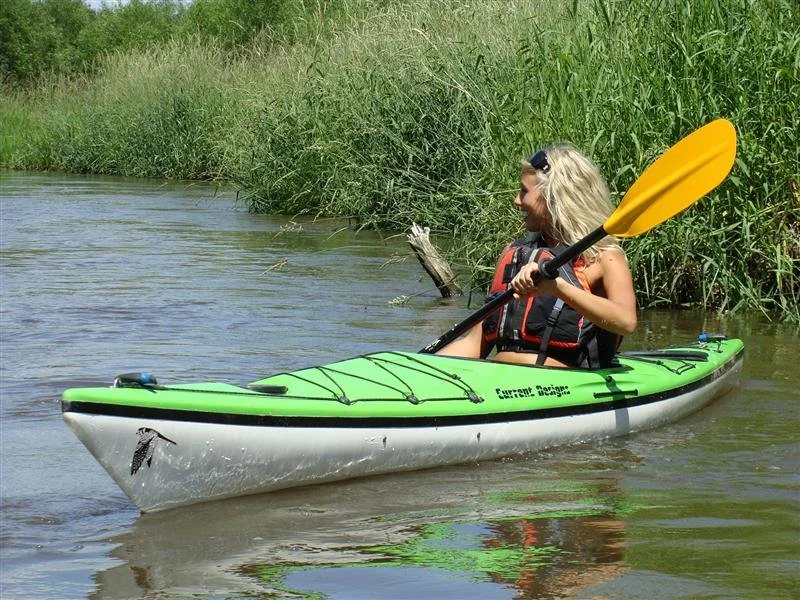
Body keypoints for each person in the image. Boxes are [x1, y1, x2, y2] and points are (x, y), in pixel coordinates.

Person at [438, 144, 637, 368]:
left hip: (561, 388)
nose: (516, 200)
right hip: (497, 383)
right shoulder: (514, 253)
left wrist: (556, 287)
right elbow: (475, 344)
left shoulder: (603, 257)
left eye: (523, 191)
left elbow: (626, 322)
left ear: (553, 196)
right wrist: (422, 368)